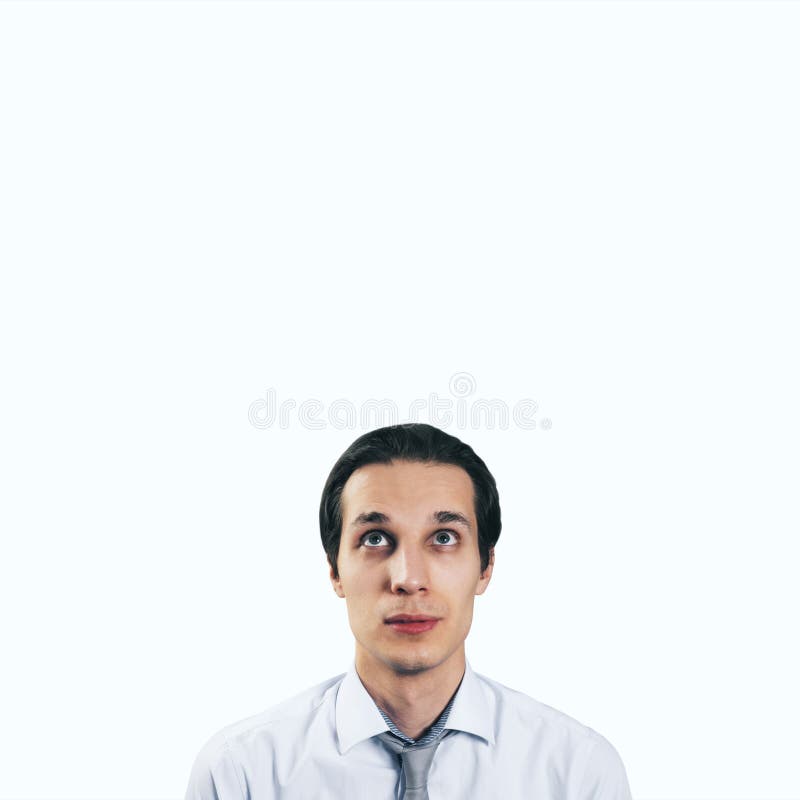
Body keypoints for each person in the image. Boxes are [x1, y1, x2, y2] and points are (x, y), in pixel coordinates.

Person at [184, 423, 633, 799]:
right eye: (375, 538)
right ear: (335, 571)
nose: (408, 578)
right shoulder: (241, 775)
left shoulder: (577, 773)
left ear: (485, 567)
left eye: (443, 538)